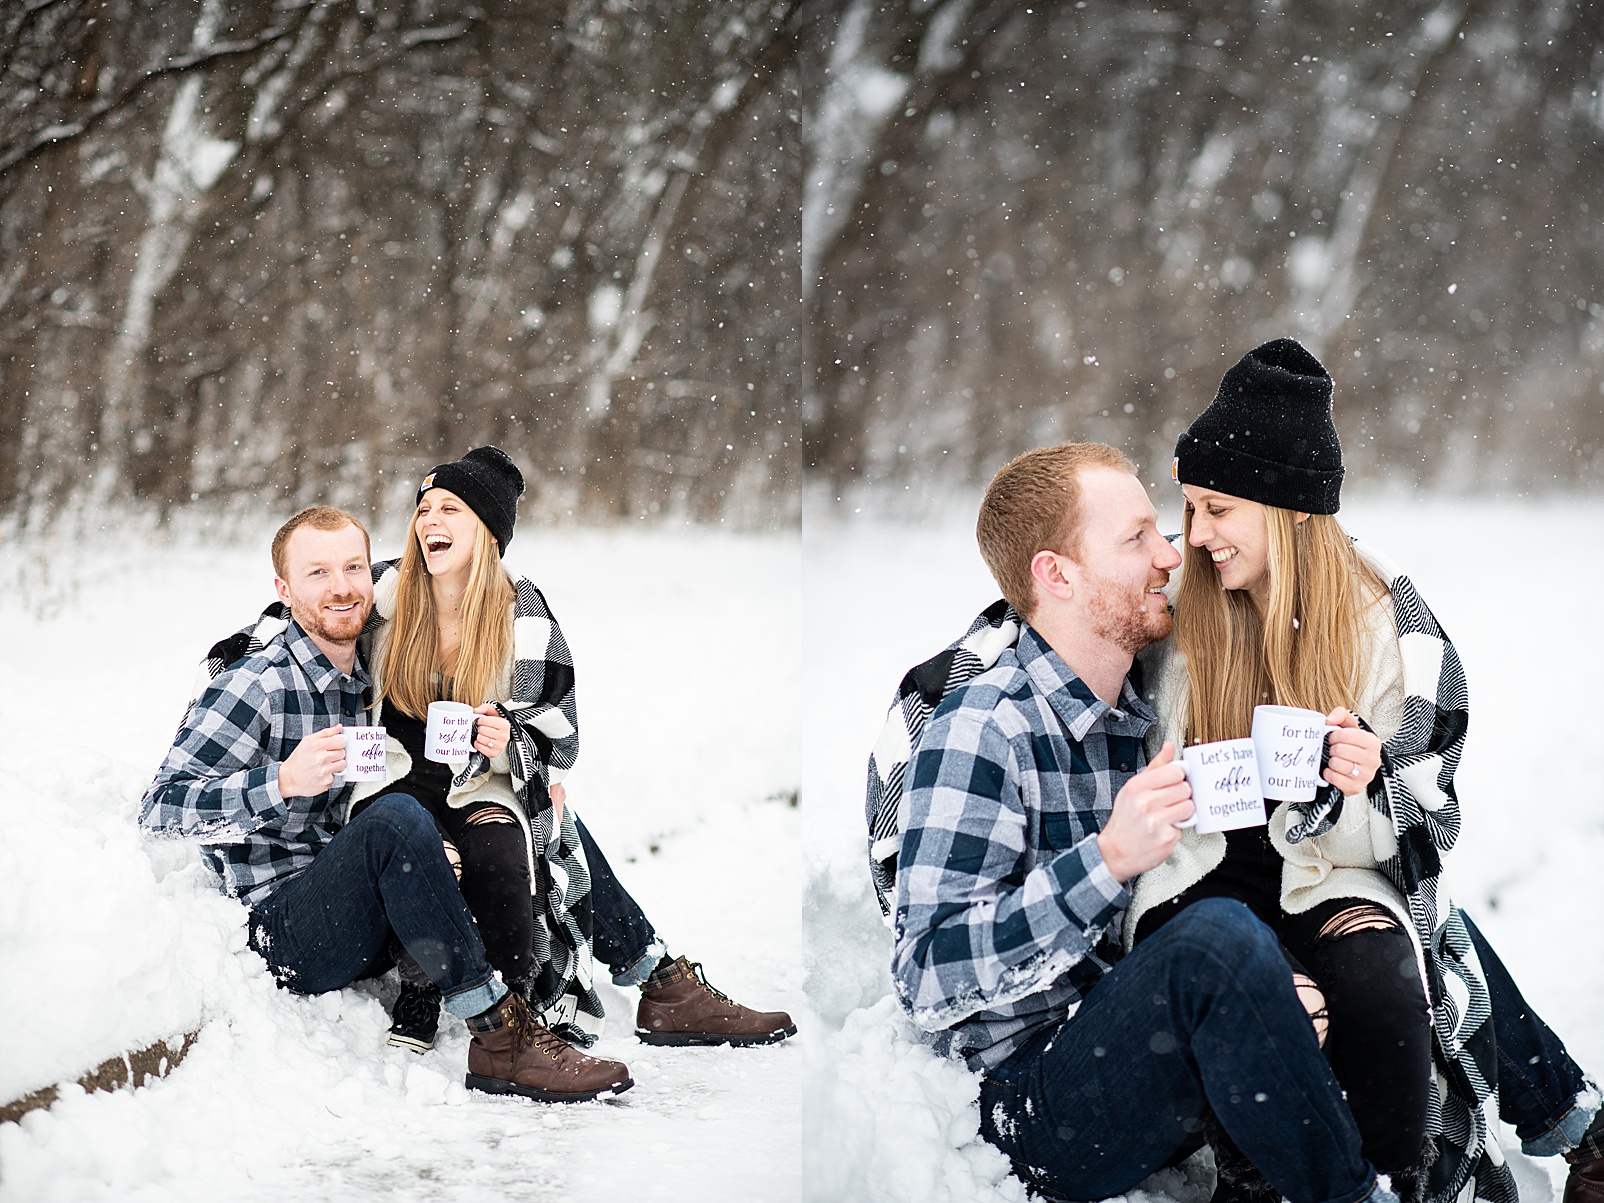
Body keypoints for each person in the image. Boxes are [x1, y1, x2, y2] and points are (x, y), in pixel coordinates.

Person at [893, 441, 1399, 1202]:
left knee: (1368, 925)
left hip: (1140, 1043)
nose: (1170, 554)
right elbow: (926, 975)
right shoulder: (985, 728)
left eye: (1159, 528)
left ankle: (1558, 1125)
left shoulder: (1141, 715)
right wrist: (1104, 862)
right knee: (1217, 937)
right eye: (1136, 539)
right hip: (1032, 1103)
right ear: (1055, 574)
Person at [198, 448, 795, 1056]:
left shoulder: (512, 612)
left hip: (453, 796)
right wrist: (244, 687)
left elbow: (560, 730)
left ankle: (635, 984)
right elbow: (303, 611)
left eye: (450, 509)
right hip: (372, 819)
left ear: (484, 531)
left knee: (537, 818)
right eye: (422, 508)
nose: (429, 520)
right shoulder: (369, 601)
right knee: (469, 823)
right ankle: (607, 988)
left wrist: (522, 748)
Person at [140, 506, 634, 1102]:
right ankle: (500, 1038)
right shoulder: (258, 684)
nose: (342, 587)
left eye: (353, 567)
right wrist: (280, 782)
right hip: (289, 930)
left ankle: (650, 971)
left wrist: (530, 777)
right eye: (317, 573)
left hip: (375, 918)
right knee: (396, 820)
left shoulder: (370, 670)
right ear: (283, 590)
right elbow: (159, 811)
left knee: (523, 813)